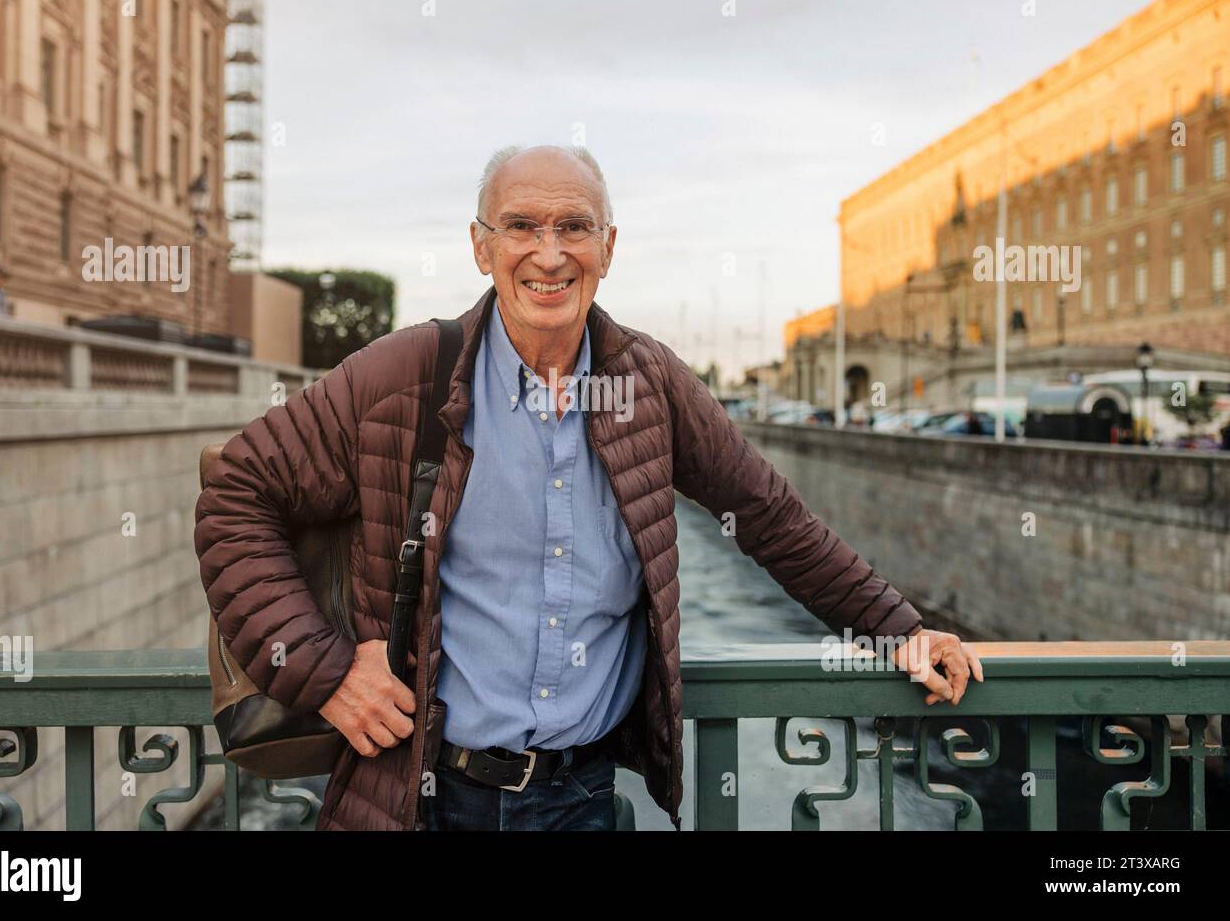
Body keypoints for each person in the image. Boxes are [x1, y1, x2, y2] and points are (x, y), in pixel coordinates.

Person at [194, 144, 983, 832]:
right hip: (417, 790)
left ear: (608, 247)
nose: (549, 253)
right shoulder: (407, 373)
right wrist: (325, 672)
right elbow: (237, 493)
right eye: (522, 226)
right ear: (481, 246)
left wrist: (897, 628)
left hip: (579, 797)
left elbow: (770, 518)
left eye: (573, 226)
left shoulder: (652, 384)